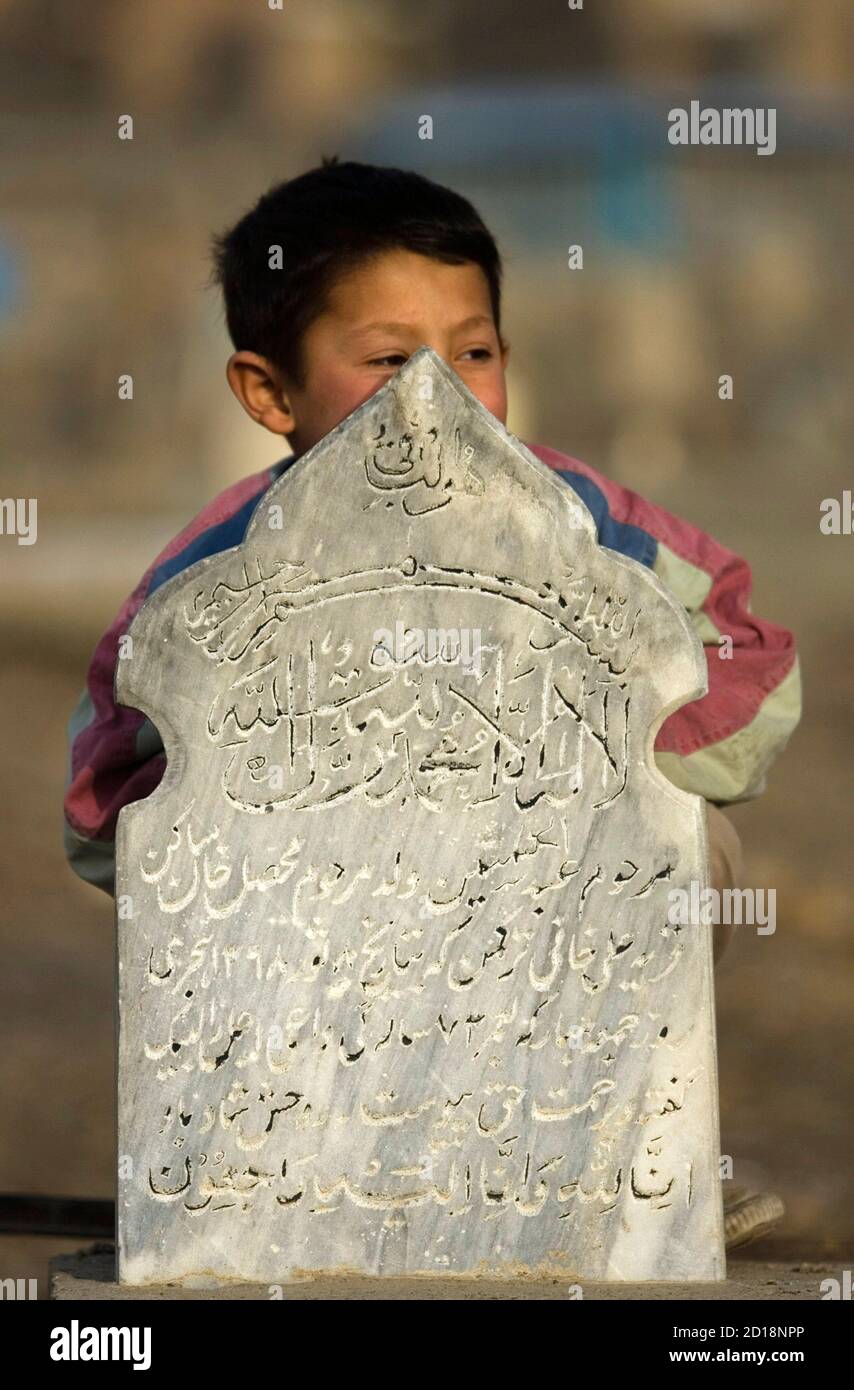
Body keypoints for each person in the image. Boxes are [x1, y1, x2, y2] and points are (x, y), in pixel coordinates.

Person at [62, 158, 801, 1246]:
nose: (437, 395)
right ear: (267, 393)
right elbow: (104, 803)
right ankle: (284, 1184)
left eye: (473, 353)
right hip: (315, 952)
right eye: (388, 360)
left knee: (694, 850)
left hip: (556, 904)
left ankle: (632, 1176)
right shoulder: (211, 573)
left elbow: (752, 664)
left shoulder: (588, 524)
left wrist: (596, 767)